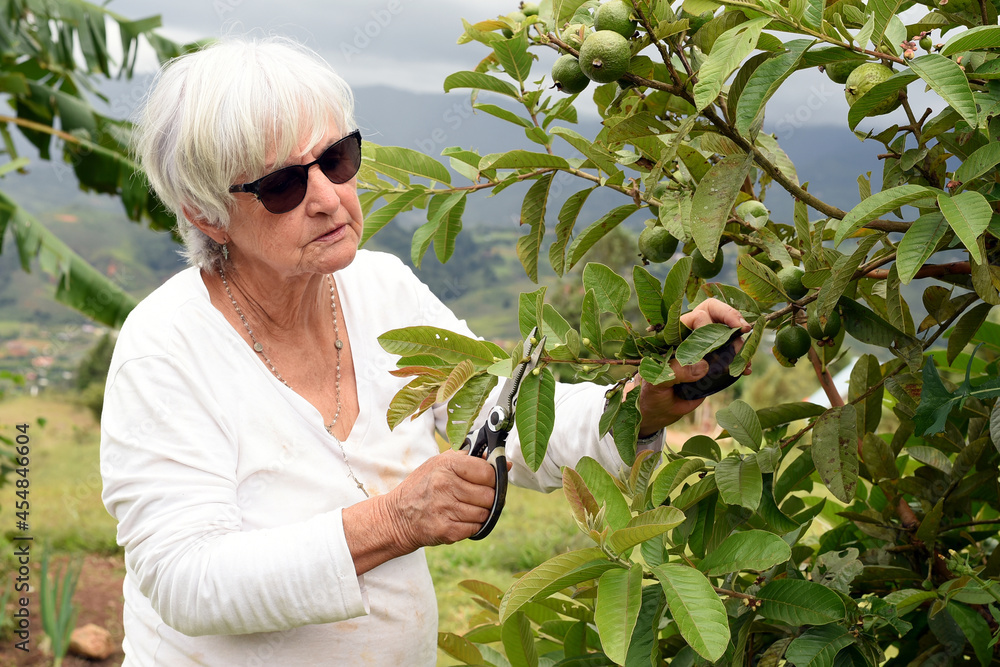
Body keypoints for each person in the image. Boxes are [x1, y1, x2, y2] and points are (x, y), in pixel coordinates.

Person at [100, 36, 751, 666]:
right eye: (282, 186)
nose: (327, 198)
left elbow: (505, 417)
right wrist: (394, 520)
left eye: (336, 160)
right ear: (208, 215)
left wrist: (642, 402)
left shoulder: (383, 291)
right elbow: (187, 579)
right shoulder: (166, 350)